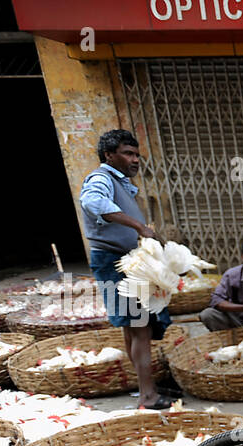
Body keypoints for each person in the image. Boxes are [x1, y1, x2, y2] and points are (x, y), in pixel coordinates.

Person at [78, 128, 174, 410]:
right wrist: (138, 227)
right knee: (139, 328)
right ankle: (147, 396)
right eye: (128, 154)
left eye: (136, 154)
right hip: (115, 263)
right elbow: (93, 203)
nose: (135, 160)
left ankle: (147, 387)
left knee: (134, 329)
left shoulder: (120, 182)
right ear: (109, 155)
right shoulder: (100, 178)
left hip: (126, 261)